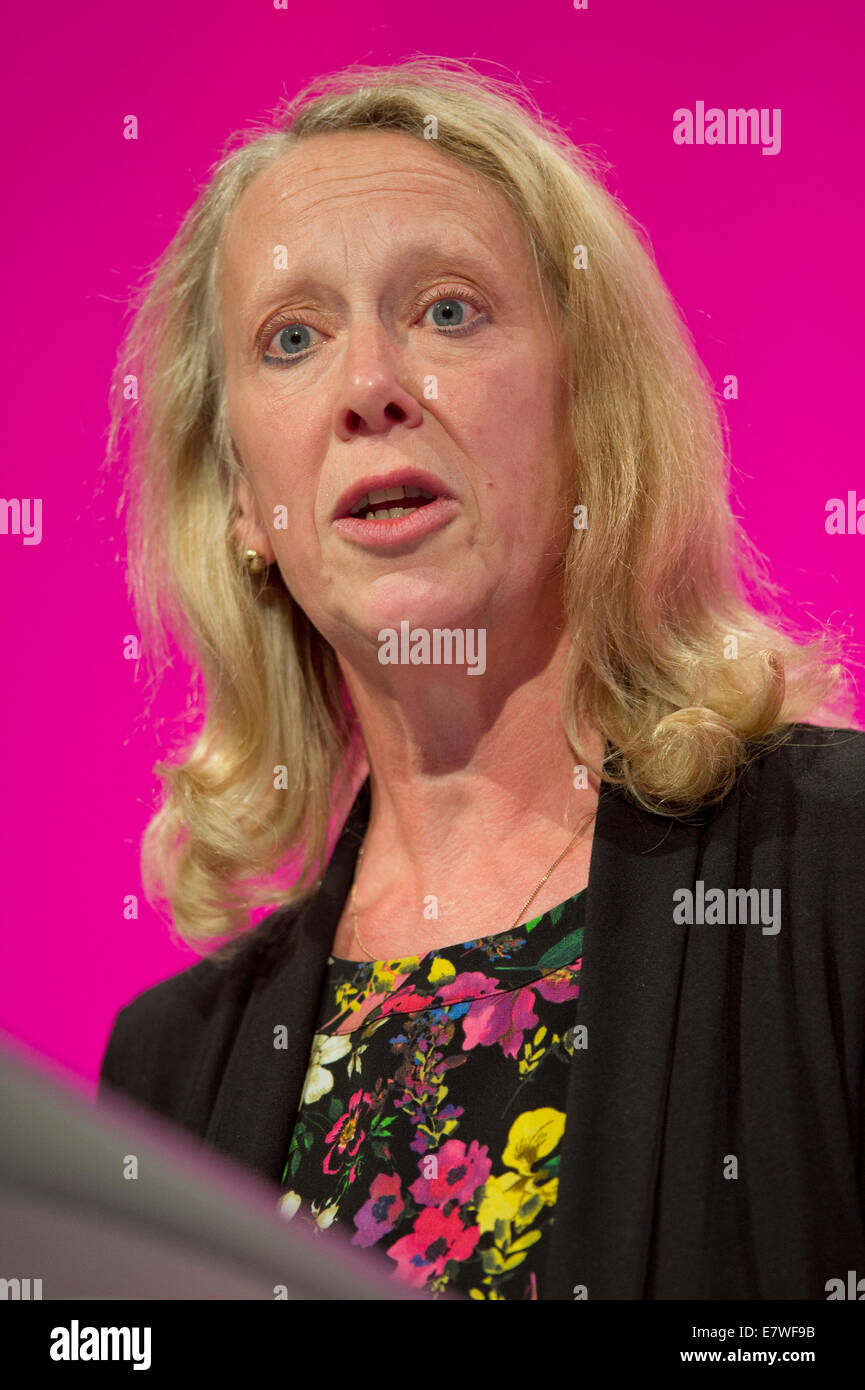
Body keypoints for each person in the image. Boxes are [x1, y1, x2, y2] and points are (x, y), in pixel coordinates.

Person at [98, 56, 865, 1301]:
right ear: (242, 499)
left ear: (588, 415)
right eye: (292, 338)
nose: (369, 388)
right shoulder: (170, 1072)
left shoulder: (833, 874)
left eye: (448, 311)